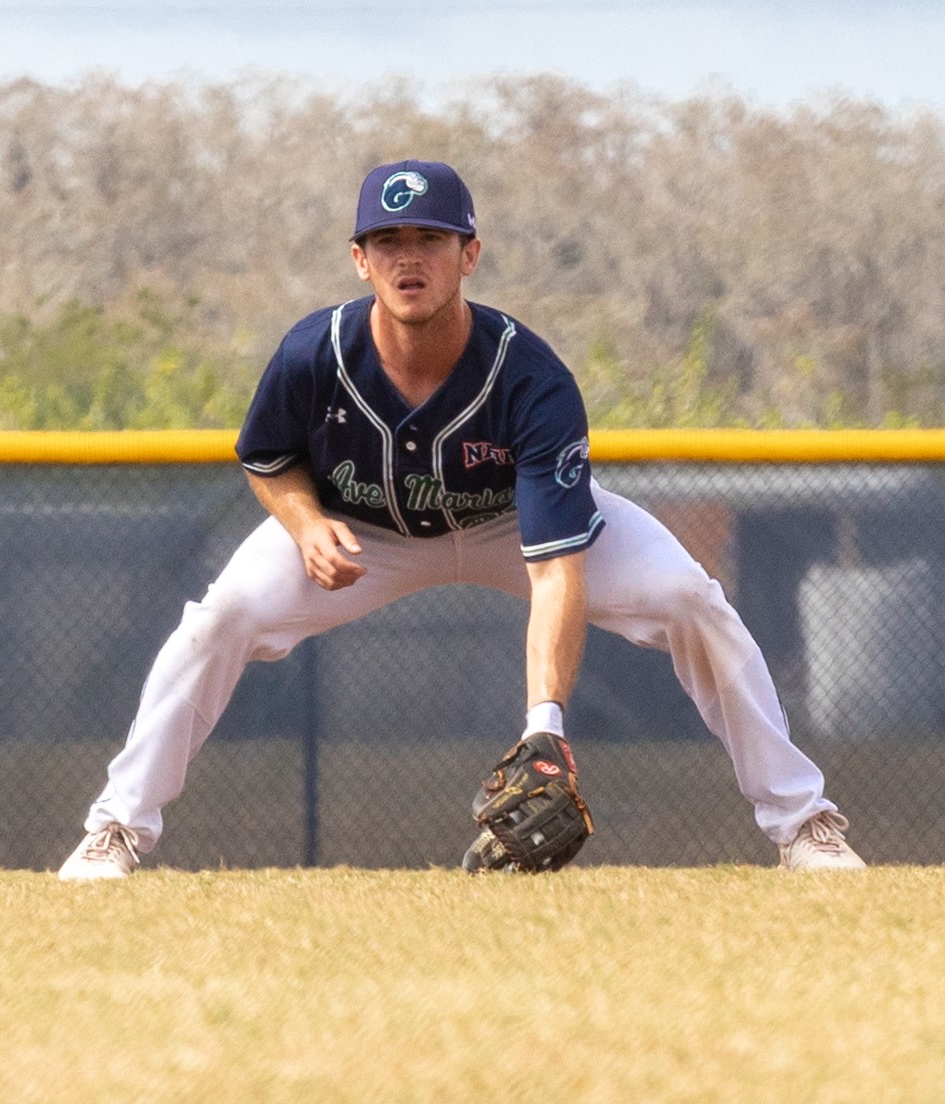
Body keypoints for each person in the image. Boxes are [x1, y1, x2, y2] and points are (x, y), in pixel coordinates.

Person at [59, 159, 864, 880]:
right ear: (359, 259)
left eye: (430, 238)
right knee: (219, 618)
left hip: (507, 526)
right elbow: (268, 462)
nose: (407, 257)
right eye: (387, 239)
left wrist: (543, 726)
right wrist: (304, 524)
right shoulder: (313, 354)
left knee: (690, 598)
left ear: (468, 253)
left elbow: (556, 570)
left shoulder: (529, 377)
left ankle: (803, 823)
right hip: (360, 532)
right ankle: (115, 829)